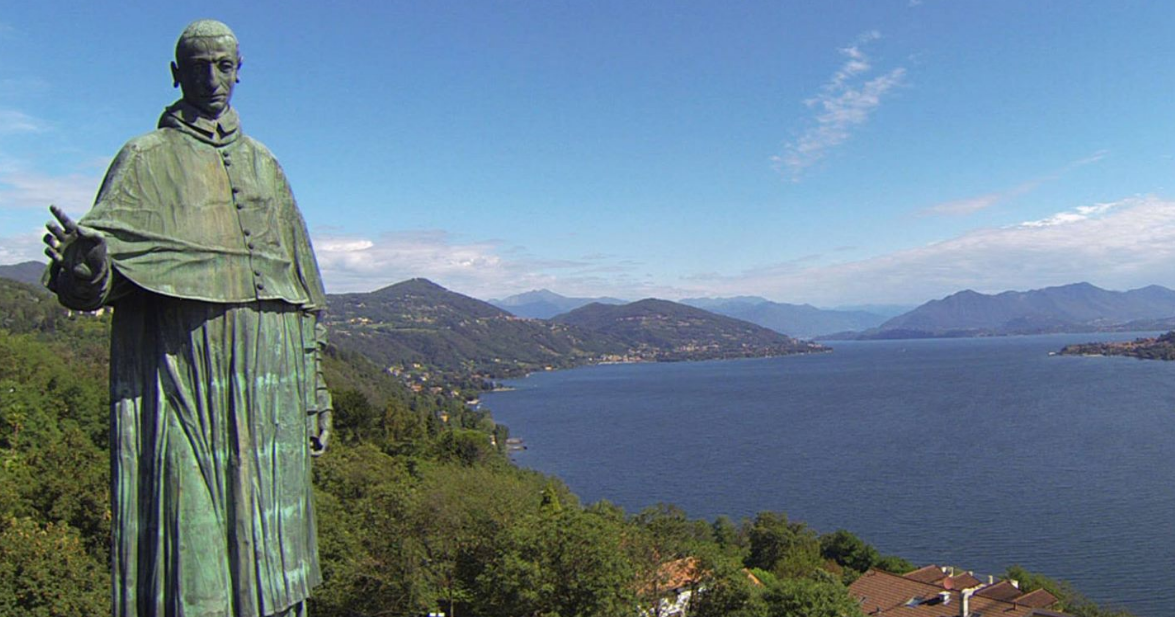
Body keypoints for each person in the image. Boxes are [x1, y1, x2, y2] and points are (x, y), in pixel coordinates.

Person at [43, 20, 331, 617]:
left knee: (275, 559)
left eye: (223, 66)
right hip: (183, 378)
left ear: (240, 71)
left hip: (271, 389)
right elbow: (99, 274)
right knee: (191, 559)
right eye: (198, 66)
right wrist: (87, 272)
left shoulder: (266, 165)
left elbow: (304, 292)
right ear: (176, 74)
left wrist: (315, 392)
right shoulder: (144, 158)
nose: (211, 79)